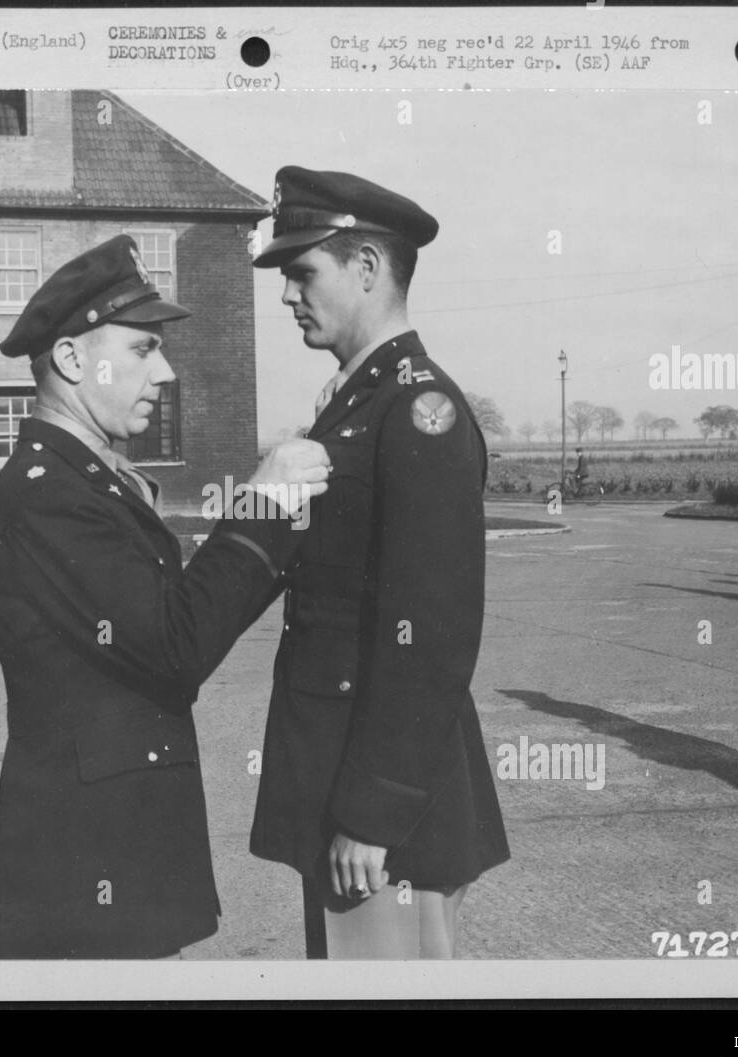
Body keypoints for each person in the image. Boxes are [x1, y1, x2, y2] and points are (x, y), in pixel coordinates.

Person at [0, 234, 329, 959]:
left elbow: (172, 615)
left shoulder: (82, 480)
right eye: (142, 350)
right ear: (72, 360)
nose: (164, 372)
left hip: (114, 848)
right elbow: (177, 644)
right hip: (88, 867)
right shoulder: (51, 502)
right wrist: (264, 506)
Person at [247, 167, 511, 959]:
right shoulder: (359, 402)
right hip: (348, 787)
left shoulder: (417, 410)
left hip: (382, 823)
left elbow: (430, 630)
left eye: (302, 272)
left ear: (366, 269)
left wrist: (372, 811)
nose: (289, 294)